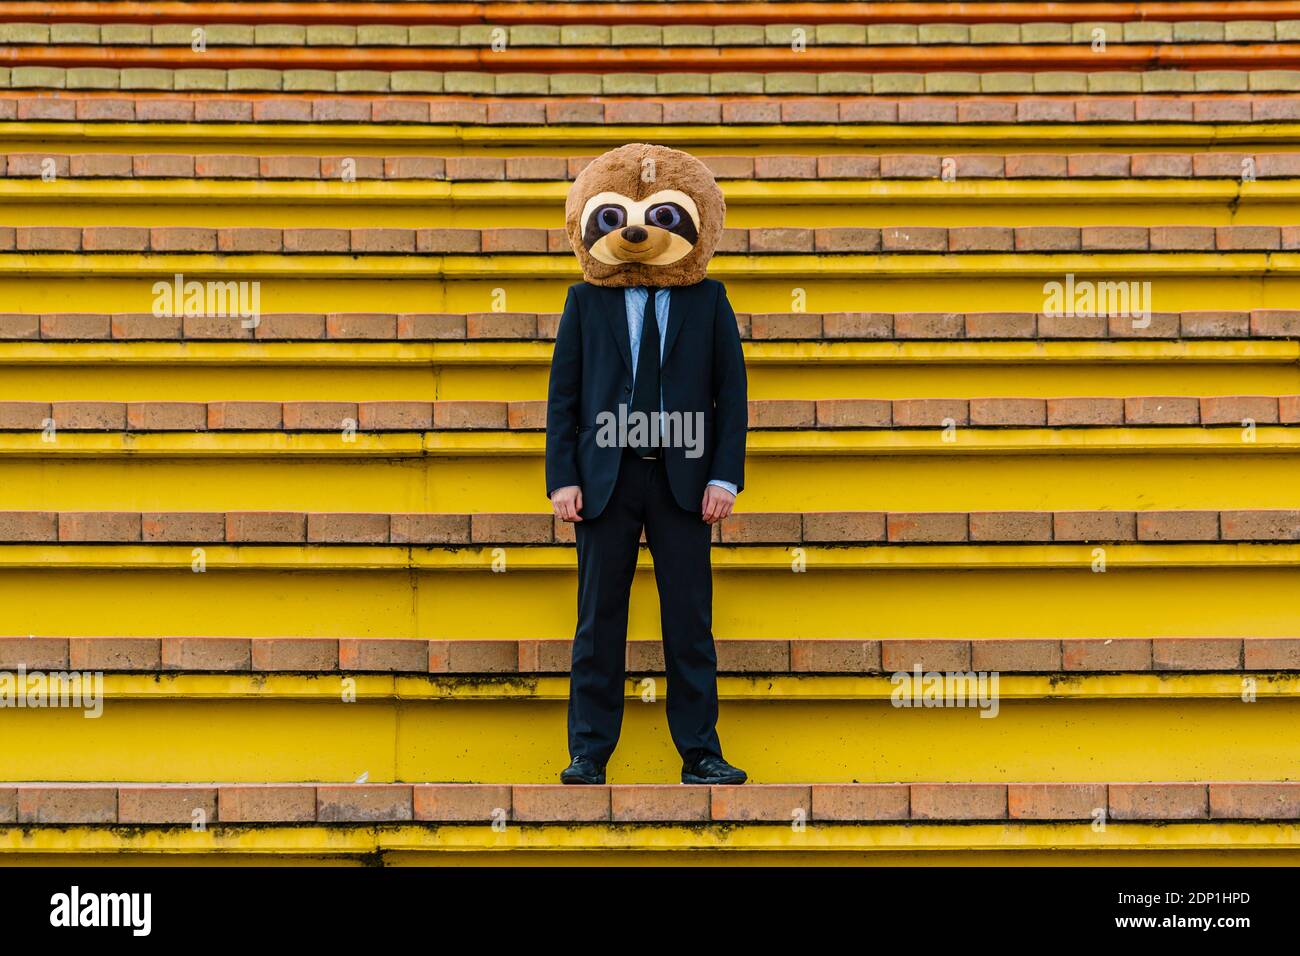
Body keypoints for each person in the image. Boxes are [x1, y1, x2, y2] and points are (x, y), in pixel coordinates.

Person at [545, 143, 748, 786]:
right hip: (606, 476)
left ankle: (700, 751)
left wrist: (724, 475)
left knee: (689, 620)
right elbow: (565, 396)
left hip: (684, 478)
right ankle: (589, 751)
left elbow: (731, 392)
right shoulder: (585, 302)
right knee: (597, 619)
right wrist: (563, 477)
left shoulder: (708, 300)